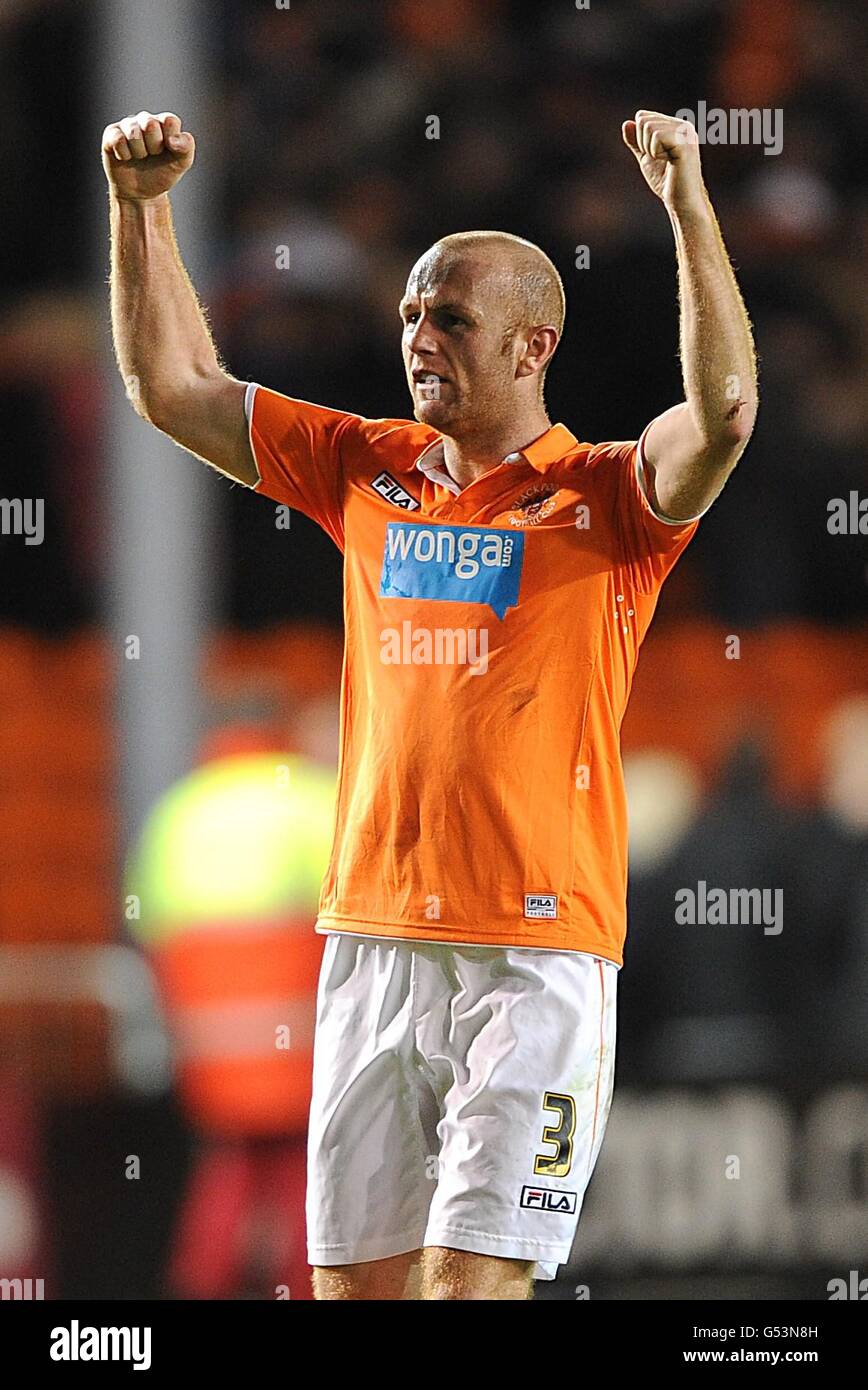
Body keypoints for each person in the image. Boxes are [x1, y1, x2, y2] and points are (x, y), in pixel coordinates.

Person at [102, 107, 757, 1300]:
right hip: (373, 943)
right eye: (409, 313)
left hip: (534, 953)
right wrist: (141, 209)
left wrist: (688, 212)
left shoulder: (605, 498)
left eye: (448, 317)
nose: (416, 336)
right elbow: (172, 386)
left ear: (529, 345)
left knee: (468, 1288)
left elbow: (721, 417)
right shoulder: (364, 465)